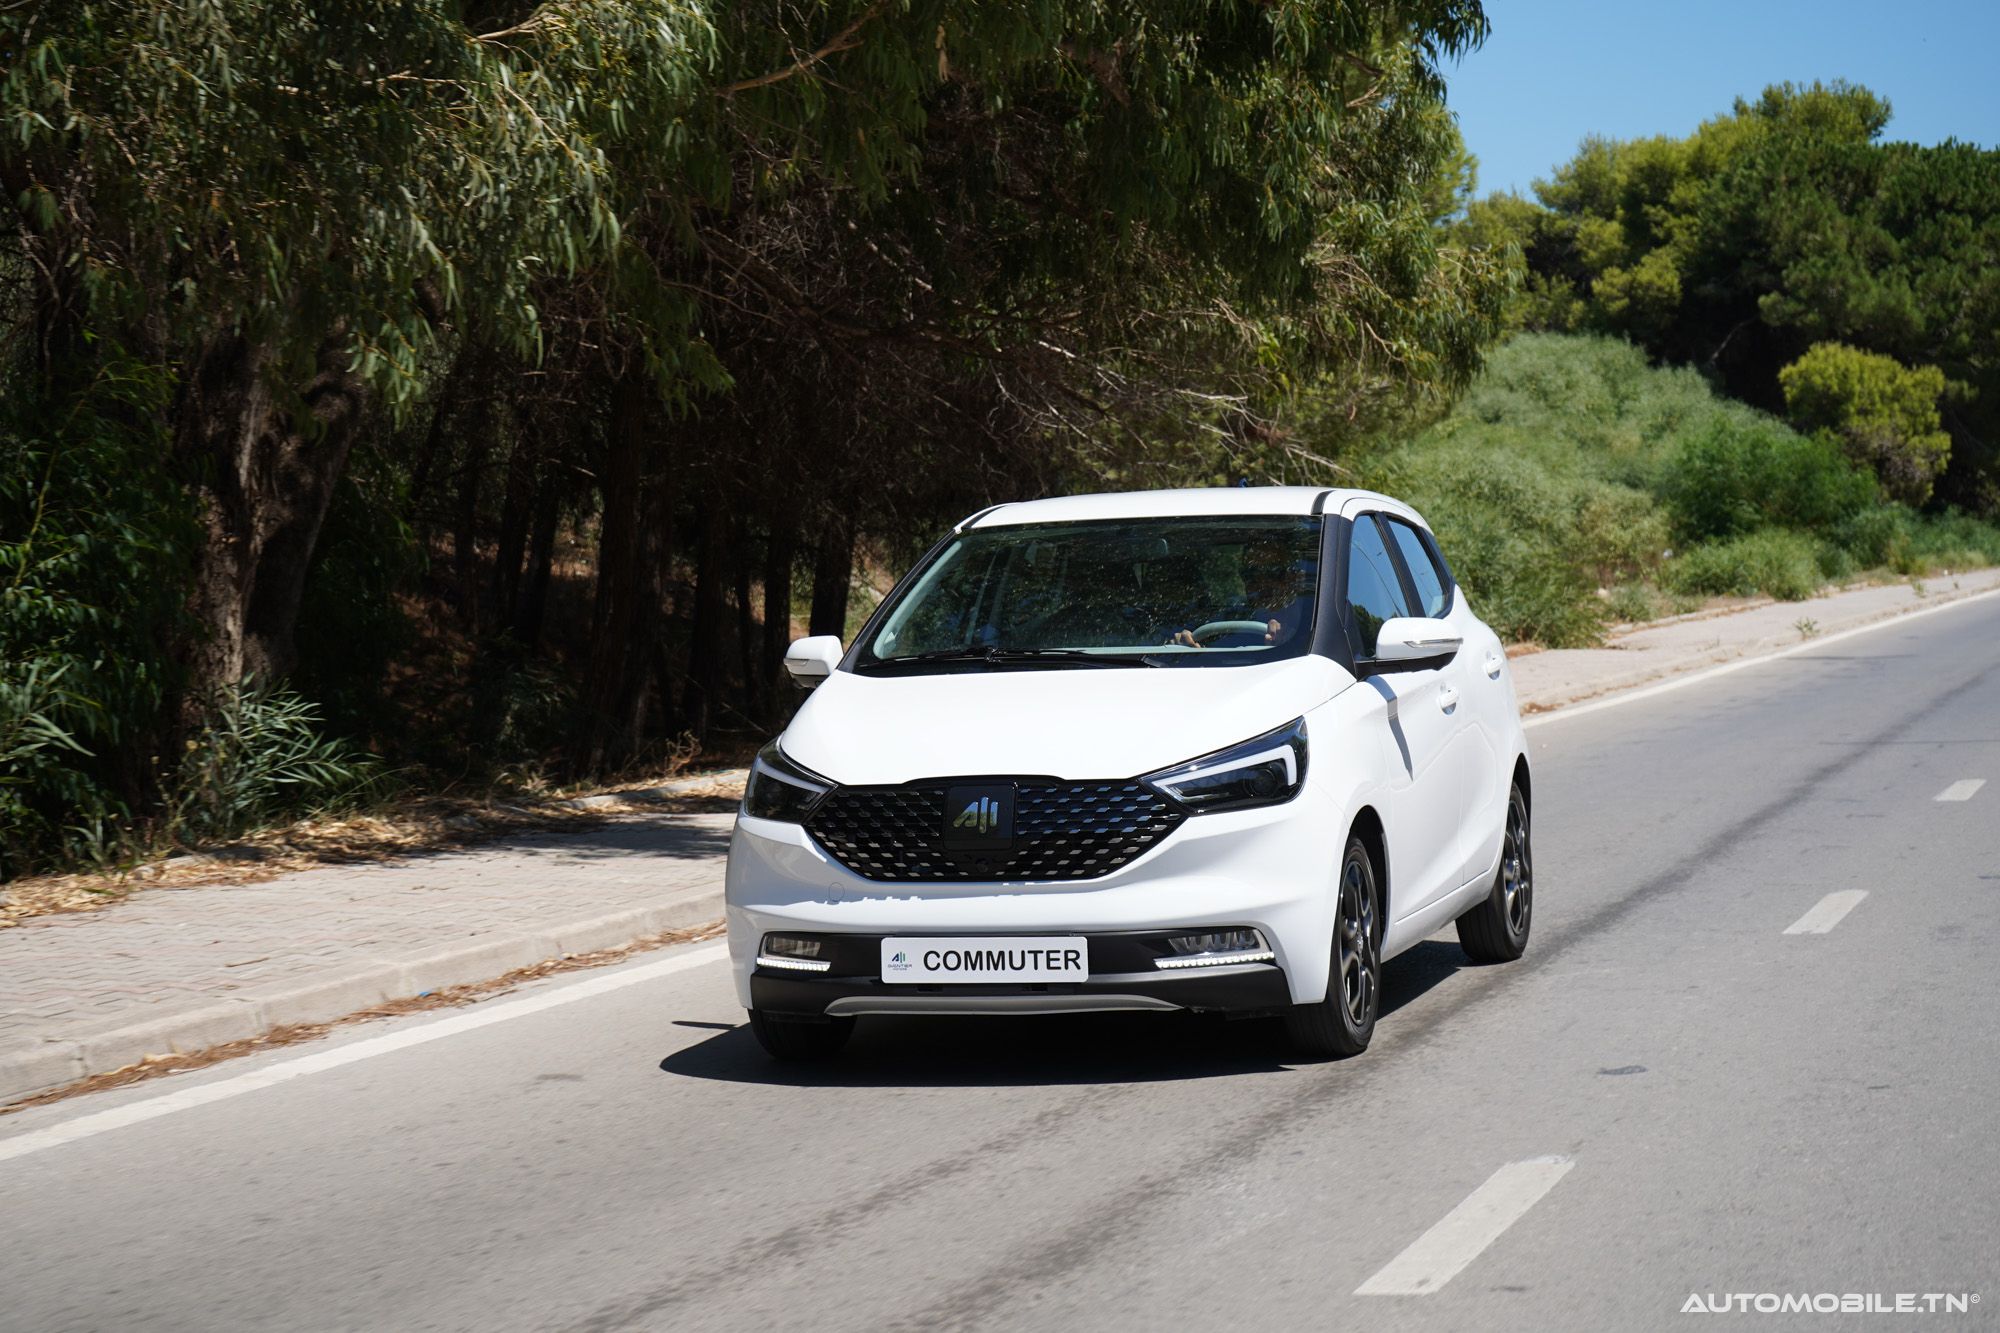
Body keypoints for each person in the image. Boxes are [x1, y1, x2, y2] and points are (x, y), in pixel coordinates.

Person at [1169, 532, 1315, 649]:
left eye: (1273, 572)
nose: (1261, 583)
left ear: (1296, 577)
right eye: (1251, 574)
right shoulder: (1223, 623)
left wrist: (1289, 645)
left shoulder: (1316, 629)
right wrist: (1183, 644)